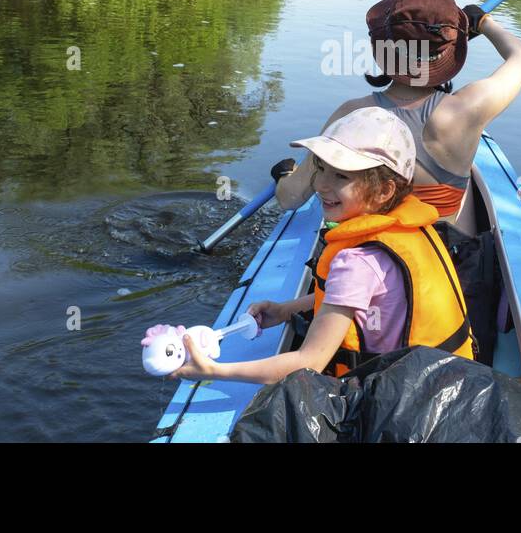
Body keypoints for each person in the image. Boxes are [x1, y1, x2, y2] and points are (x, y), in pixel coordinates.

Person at [166, 107, 474, 384]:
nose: (321, 185)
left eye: (340, 175)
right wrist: (287, 310)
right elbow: (362, 297)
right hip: (451, 378)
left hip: (409, 402)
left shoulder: (356, 262)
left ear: (384, 190)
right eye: (321, 168)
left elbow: (309, 363)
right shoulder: (407, 226)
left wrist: (215, 371)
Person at [273, 0, 521, 225]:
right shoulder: (466, 110)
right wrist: (484, 22)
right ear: (452, 50)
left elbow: (291, 198)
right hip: (439, 256)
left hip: (369, 255)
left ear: (382, 48)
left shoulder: (352, 115)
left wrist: (284, 175)